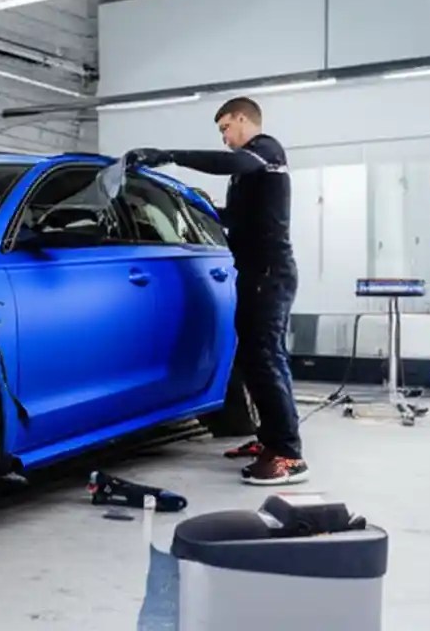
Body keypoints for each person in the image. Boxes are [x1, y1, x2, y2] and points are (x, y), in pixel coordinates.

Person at [124, 96, 307, 485]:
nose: (225, 138)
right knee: (257, 358)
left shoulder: (265, 150)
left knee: (265, 358)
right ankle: (270, 439)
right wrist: (195, 206)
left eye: (226, 127)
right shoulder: (248, 172)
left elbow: (234, 160)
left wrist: (170, 155)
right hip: (254, 272)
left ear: (244, 119)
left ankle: (288, 454)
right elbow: (235, 220)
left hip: (270, 273)